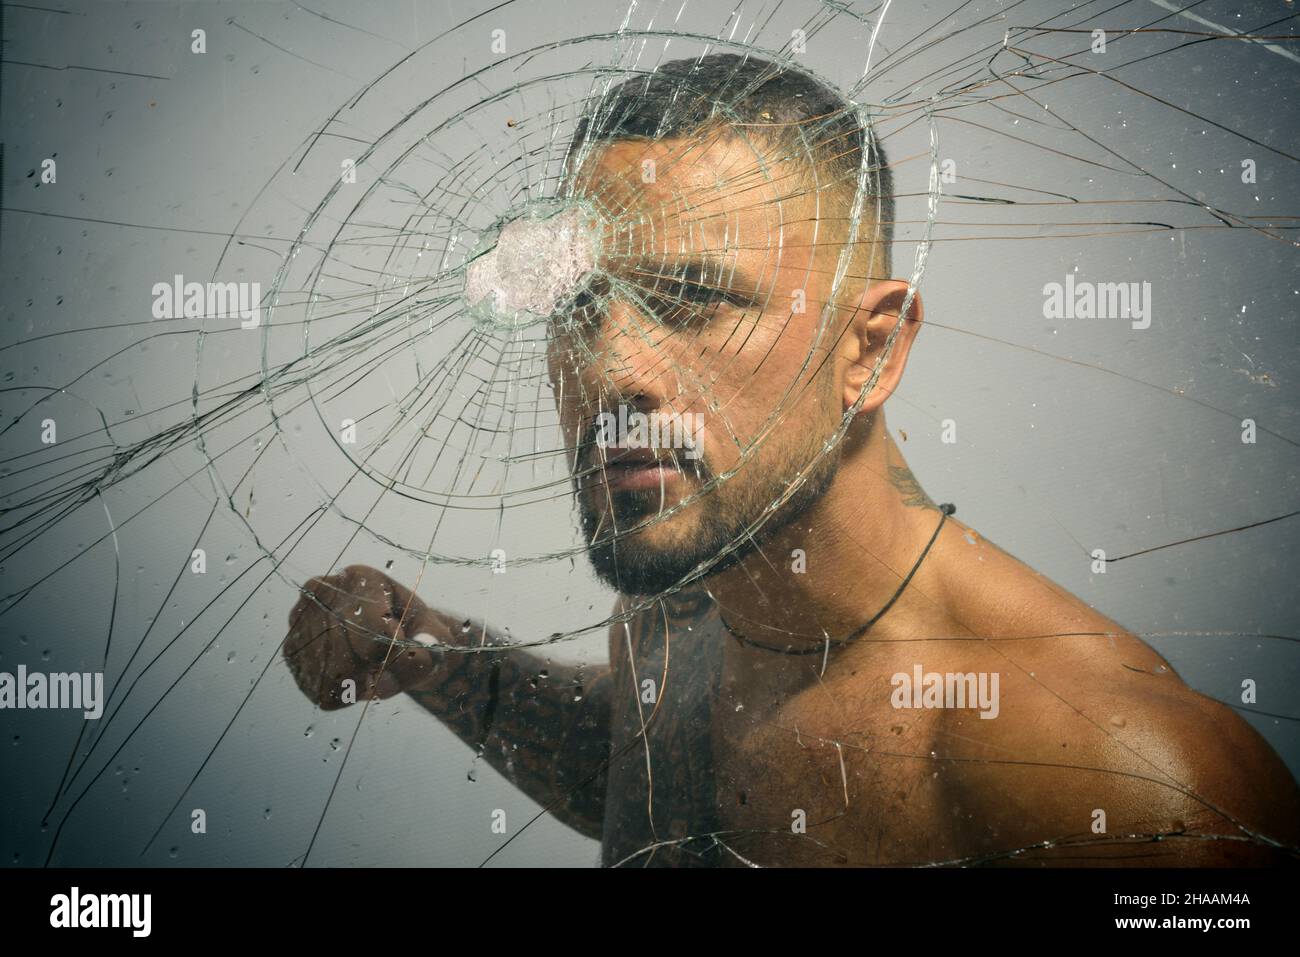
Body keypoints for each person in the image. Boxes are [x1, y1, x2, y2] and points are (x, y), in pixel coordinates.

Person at [283, 54, 1300, 866]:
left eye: (694, 300)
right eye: (581, 303)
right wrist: (437, 655)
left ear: (870, 352)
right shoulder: (679, 605)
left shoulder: (1116, 785)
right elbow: (653, 779)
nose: (612, 368)